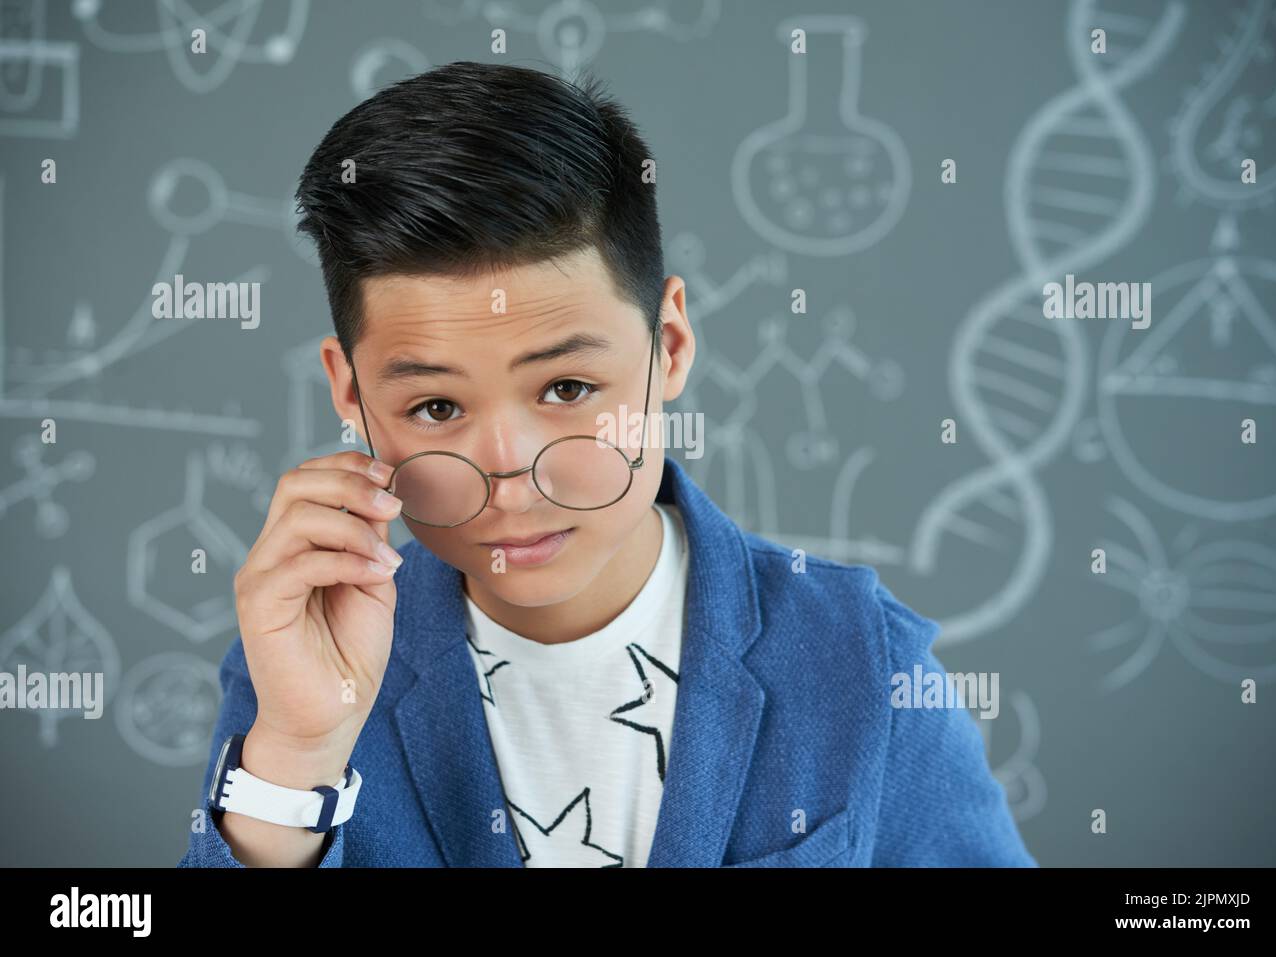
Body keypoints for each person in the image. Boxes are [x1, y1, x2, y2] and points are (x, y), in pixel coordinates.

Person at [179, 60, 1036, 868]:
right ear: (352, 393)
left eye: (567, 386)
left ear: (668, 346)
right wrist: (296, 753)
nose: (511, 471)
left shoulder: (856, 655)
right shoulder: (298, 664)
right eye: (437, 408)